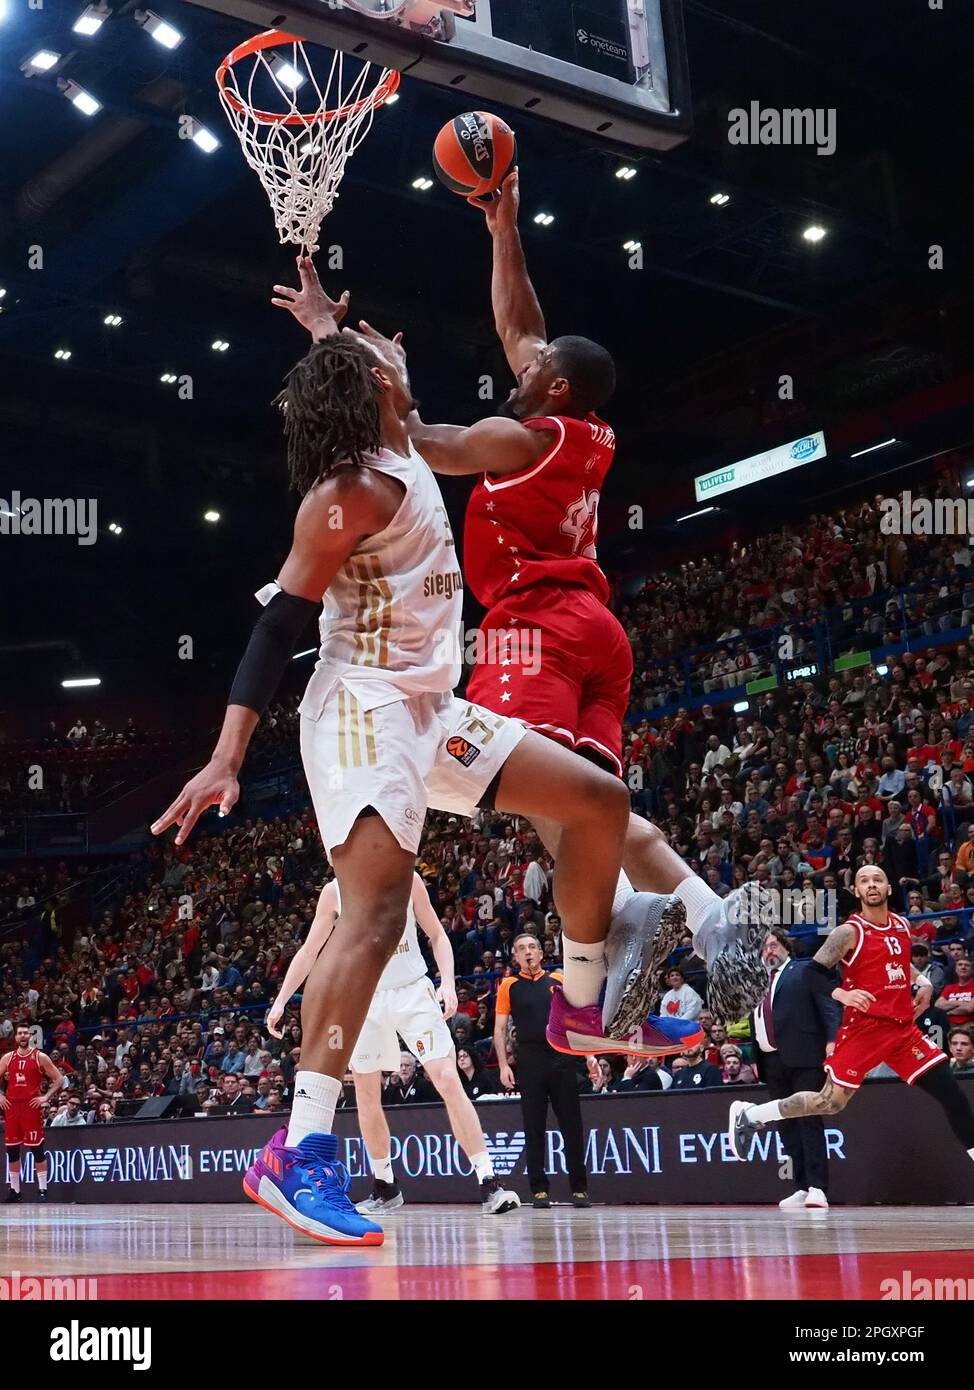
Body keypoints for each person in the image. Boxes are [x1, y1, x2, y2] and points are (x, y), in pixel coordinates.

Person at [153, 274, 697, 1248]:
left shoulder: (402, 441)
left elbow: (397, 368)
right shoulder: (351, 488)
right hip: (360, 716)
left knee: (597, 800)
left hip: (430, 712)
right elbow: (279, 623)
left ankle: (577, 1010)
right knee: (369, 913)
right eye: (380, 361)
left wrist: (327, 325)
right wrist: (226, 755)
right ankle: (301, 1149)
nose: (396, 349)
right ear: (372, 395)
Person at [279, 235, 775, 1039]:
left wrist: (363, 365)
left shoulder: (523, 437)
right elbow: (522, 324)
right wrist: (500, 218)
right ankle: (708, 916)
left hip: (533, 627)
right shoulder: (588, 432)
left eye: (533, 372)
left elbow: (424, 443)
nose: (520, 370)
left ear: (557, 386)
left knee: (557, 807)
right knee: (596, 807)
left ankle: (602, 956)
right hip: (601, 632)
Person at [267, 872, 519, 1215]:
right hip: (363, 999)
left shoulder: (406, 876)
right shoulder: (333, 892)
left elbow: (437, 934)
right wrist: (281, 1000)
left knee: (447, 1078)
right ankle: (385, 1186)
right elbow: (310, 951)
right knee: (367, 1093)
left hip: (412, 990)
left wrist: (447, 982)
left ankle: (489, 1181)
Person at [730, 866, 974, 1177]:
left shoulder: (901, 925)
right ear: (857, 892)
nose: (872, 884)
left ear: (888, 888)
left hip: (902, 1031)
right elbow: (812, 973)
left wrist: (923, 981)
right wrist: (842, 995)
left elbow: (898, 963)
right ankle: (752, 1115)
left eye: (878, 879)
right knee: (829, 1103)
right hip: (863, 1031)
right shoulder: (848, 932)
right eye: (864, 881)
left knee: (949, 1091)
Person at [494, 934, 591, 1208]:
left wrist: (590, 1056)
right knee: (533, 1127)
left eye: (532, 947)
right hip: (529, 1060)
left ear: (540, 953)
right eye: (522, 948)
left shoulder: (558, 981)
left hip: (561, 1057)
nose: (528, 953)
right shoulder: (508, 986)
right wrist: (503, 1065)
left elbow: (576, 1021)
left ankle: (580, 1188)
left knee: (572, 1125)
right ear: (515, 956)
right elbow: (499, 1029)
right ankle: (539, 1189)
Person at [747, 928, 842, 1211]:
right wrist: (755, 1053)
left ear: (786, 947)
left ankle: (818, 1188)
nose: (769, 951)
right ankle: (801, 1186)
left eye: (774, 945)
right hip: (771, 1060)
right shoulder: (756, 982)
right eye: (764, 948)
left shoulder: (803, 970)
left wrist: (832, 1039)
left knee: (808, 1121)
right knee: (786, 1126)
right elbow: (757, 1020)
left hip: (804, 1056)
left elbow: (829, 1006)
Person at [0, 1024, 63, 1202]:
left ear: (30, 1036)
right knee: (12, 1150)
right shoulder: (7, 1058)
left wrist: (46, 1097)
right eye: (19, 1033)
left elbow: (59, 1079)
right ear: (15, 1037)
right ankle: (15, 1191)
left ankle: (43, 1189)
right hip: (12, 1107)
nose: (22, 1036)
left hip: (31, 1106)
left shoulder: (39, 1056)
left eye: (25, 1033)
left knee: (37, 1149)